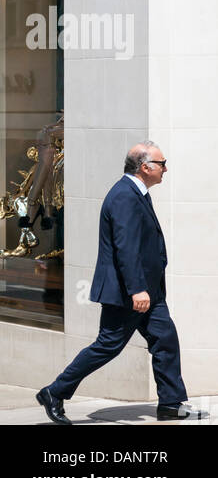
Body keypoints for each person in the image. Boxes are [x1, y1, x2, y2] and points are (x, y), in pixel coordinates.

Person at [36, 142, 201, 424]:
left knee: (166, 339)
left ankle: (171, 403)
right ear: (145, 167)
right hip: (129, 291)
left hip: (150, 290)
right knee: (108, 345)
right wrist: (137, 289)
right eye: (162, 163)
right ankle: (55, 391)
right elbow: (126, 248)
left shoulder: (138, 193)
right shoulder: (124, 196)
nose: (166, 169)